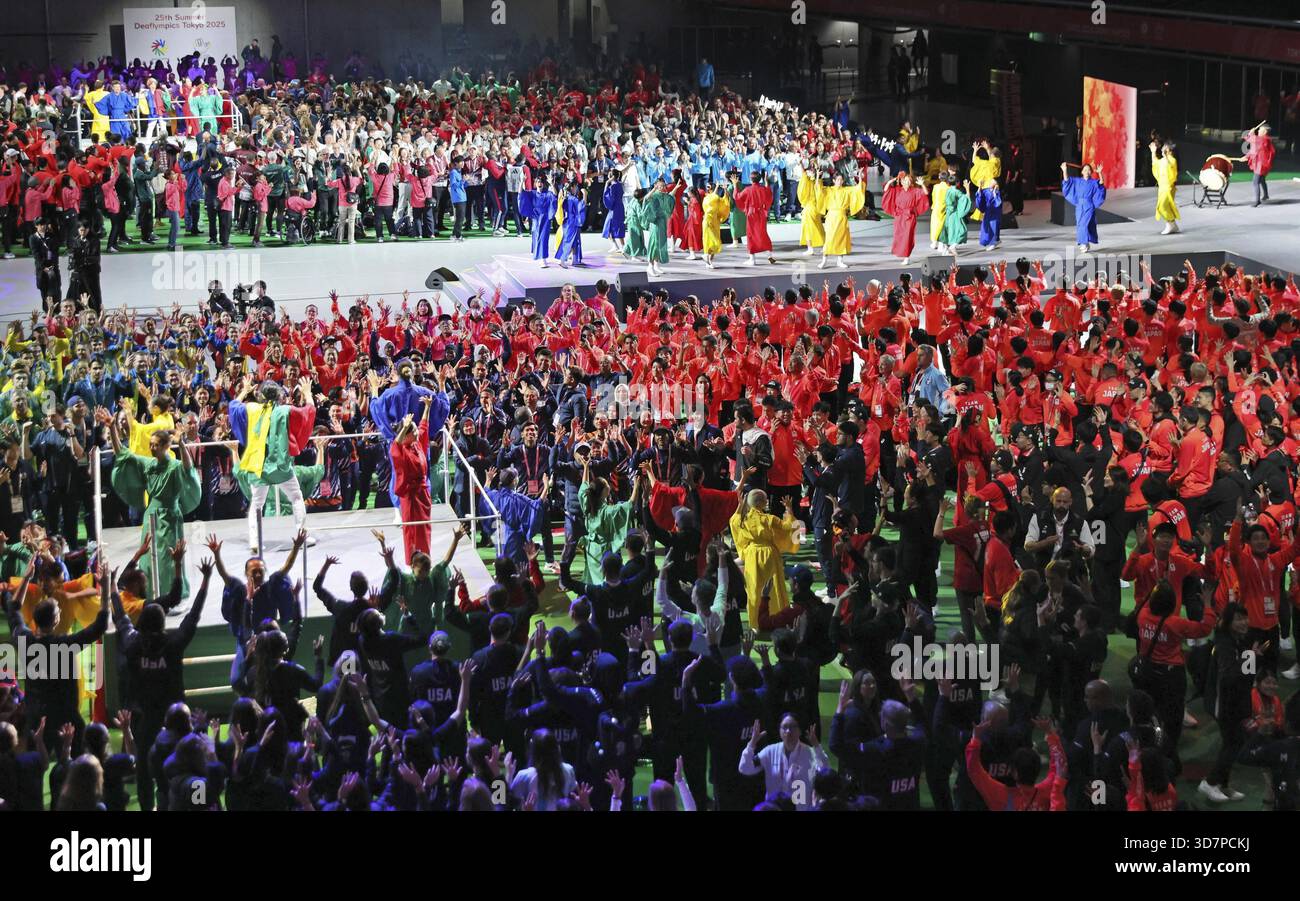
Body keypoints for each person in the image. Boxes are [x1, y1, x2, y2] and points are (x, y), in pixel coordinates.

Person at [228, 379, 317, 553]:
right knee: (296, 497)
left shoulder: (251, 408)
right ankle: (301, 535)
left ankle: (254, 541)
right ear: (279, 395)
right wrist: (307, 393)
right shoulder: (286, 410)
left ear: (260, 395)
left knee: (256, 504)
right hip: (280, 465)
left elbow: (233, 406)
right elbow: (309, 411)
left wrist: (245, 391)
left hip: (258, 465)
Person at [729, 481, 800, 624]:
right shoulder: (769, 519)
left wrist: (740, 504)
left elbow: (733, 521)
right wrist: (789, 509)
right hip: (769, 554)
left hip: (752, 554)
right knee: (774, 585)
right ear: (763, 503)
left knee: (754, 587)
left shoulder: (743, 519)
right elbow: (789, 526)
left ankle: (756, 621)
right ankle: (777, 616)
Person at [738, 712, 828, 810]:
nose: (788, 731)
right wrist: (752, 744)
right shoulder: (770, 751)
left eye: (793, 727)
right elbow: (744, 768)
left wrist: (817, 747)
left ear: (800, 731)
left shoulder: (810, 753)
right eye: (784, 727)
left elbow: (826, 771)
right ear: (779, 731)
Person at [881, 172, 929, 264]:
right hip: (899, 217)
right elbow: (886, 190)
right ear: (901, 182)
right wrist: (890, 181)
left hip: (909, 217)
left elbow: (925, 193)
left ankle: (907, 257)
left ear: (910, 182)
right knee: (899, 236)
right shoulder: (898, 190)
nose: (906, 182)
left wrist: (922, 184)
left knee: (907, 237)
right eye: (904, 180)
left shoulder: (915, 191)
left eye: (908, 180)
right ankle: (900, 252)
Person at [1060, 162, 1106, 253]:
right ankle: (1085, 241)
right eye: (1085, 170)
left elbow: (1101, 183)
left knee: (1083, 224)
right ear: (1082, 172)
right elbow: (1067, 181)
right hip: (1079, 206)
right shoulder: (1077, 181)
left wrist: (1100, 173)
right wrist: (1064, 170)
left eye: (1089, 170)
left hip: (1089, 205)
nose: (1087, 171)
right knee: (1080, 224)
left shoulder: (1093, 182)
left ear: (1091, 172)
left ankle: (1083, 243)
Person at [1149, 141, 1180, 234]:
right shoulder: (1162, 160)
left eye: (1165, 148)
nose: (1162, 148)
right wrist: (1153, 152)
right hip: (1162, 187)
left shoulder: (1172, 160)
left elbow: (1171, 167)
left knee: (1163, 206)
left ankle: (1171, 224)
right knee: (1164, 206)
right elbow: (1155, 163)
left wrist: (1166, 157)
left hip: (1168, 187)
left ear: (1169, 150)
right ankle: (1172, 225)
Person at [1242, 124, 1276, 207]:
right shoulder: (1264, 139)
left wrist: (1251, 133)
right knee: (1262, 179)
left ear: (1265, 132)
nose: (1258, 131)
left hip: (1261, 164)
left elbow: (1250, 139)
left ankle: (1257, 201)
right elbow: (1254, 148)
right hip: (1262, 163)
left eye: (1260, 130)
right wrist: (1246, 156)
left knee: (1255, 182)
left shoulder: (1263, 140)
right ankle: (1266, 195)